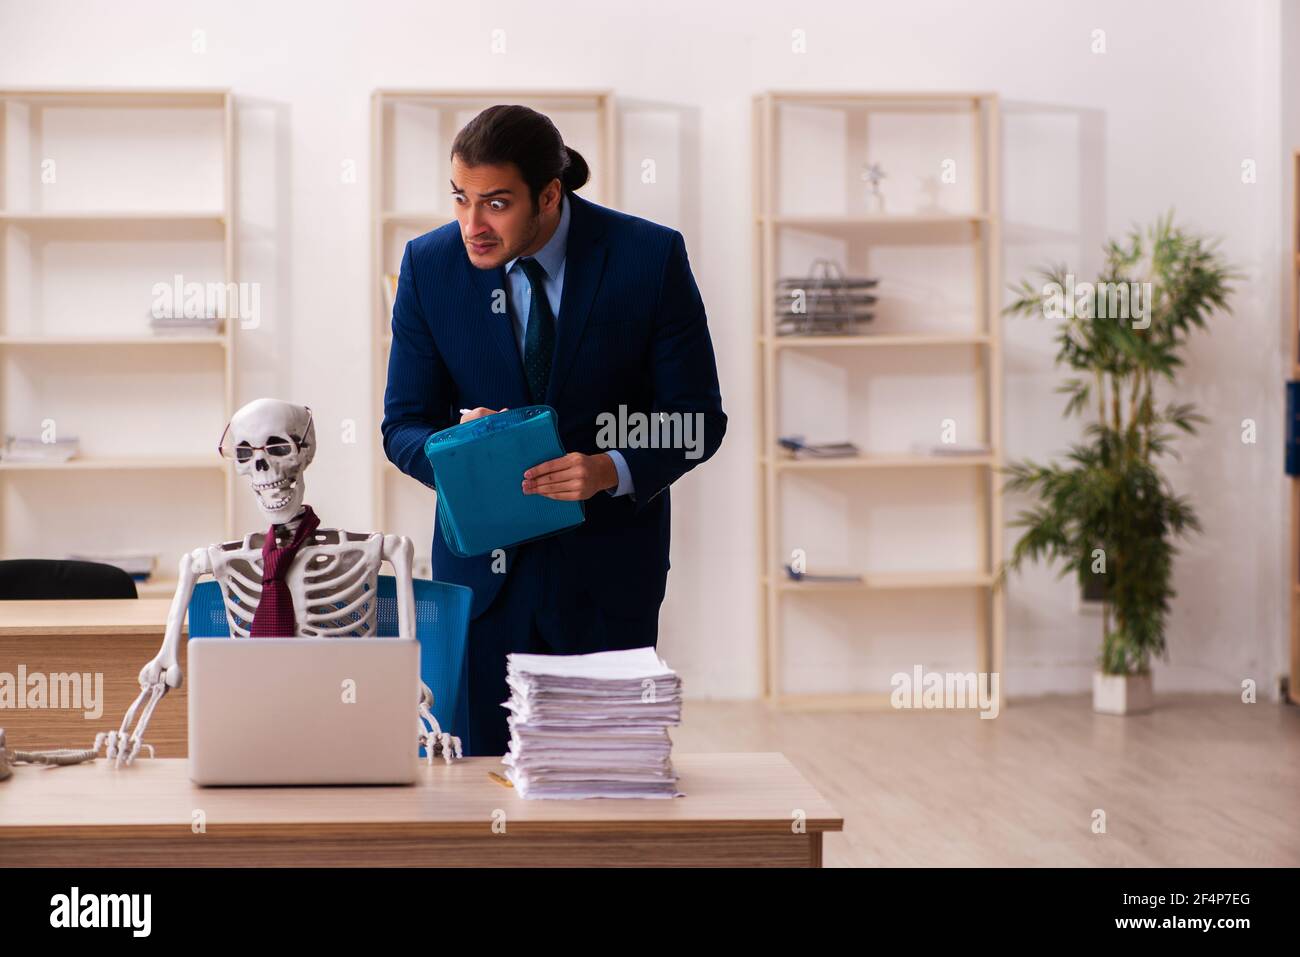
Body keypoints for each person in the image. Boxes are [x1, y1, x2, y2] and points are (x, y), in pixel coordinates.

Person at [381, 104, 726, 755]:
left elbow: (698, 418)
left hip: (607, 578)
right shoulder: (429, 266)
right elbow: (402, 424)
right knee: (473, 794)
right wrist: (458, 449)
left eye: (496, 204)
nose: (472, 225)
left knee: (607, 783)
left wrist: (609, 468)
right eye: (460, 199)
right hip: (480, 586)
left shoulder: (648, 257)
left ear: (549, 194)